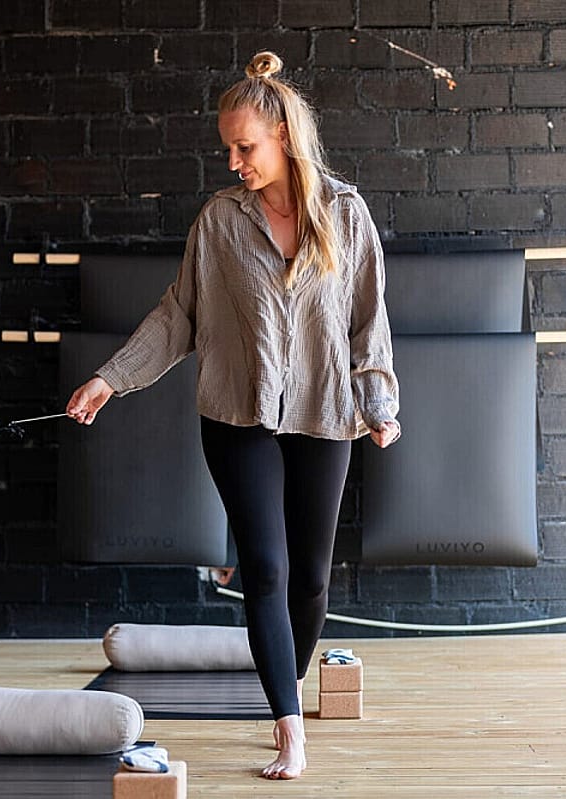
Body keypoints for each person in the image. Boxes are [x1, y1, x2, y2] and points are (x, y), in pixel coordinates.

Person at [65, 51, 400, 780]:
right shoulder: (218, 223)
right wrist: (108, 379)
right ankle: (287, 725)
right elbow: (177, 316)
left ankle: (287, 673)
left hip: (323, 412)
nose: (234, 160)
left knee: (312, 579)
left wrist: (378, 403)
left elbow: (367, 322)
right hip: (236, 417)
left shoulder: (345, 214)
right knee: (267, 568)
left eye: (244, 146)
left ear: (282, 132)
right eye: (228, 148)